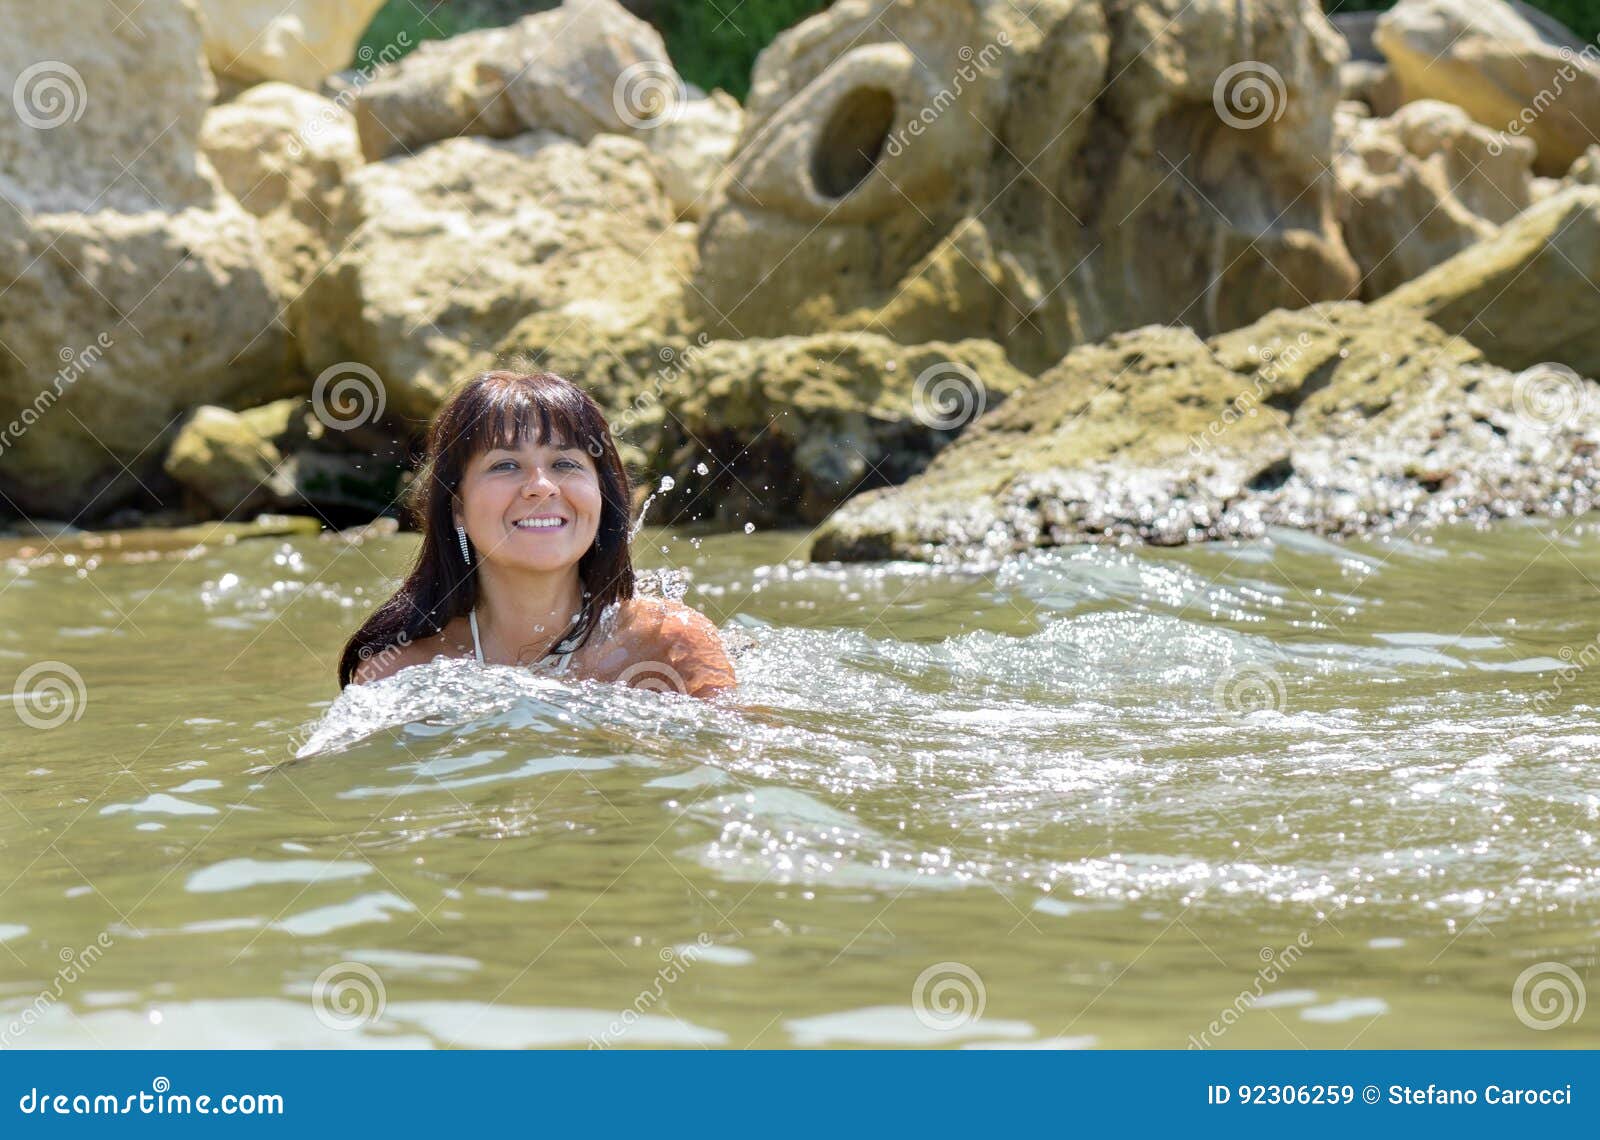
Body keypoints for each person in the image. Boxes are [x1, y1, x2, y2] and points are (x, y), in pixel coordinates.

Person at [338, 370, 735, 699]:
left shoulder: (666, 643)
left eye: (565, 462)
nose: (541, 486)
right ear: (457, 508)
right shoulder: (400, 670)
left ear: (602, 496)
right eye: (506, 465)